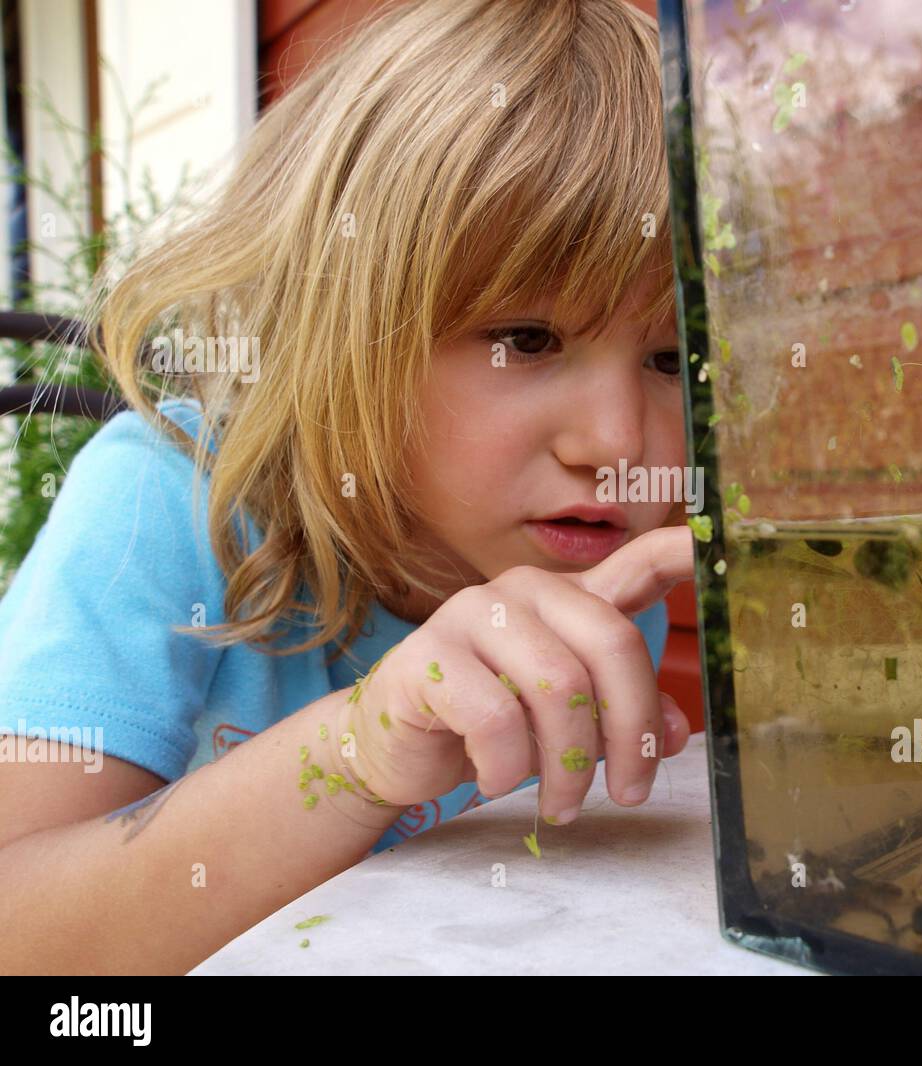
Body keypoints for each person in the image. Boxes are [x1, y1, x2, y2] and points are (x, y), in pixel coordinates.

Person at [0, 0, 694, 975]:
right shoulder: (162, 504)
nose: (619, 440)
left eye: (671, 357)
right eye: (527, 339)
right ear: (344, 331)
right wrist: (357, 753)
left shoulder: (590, 567)